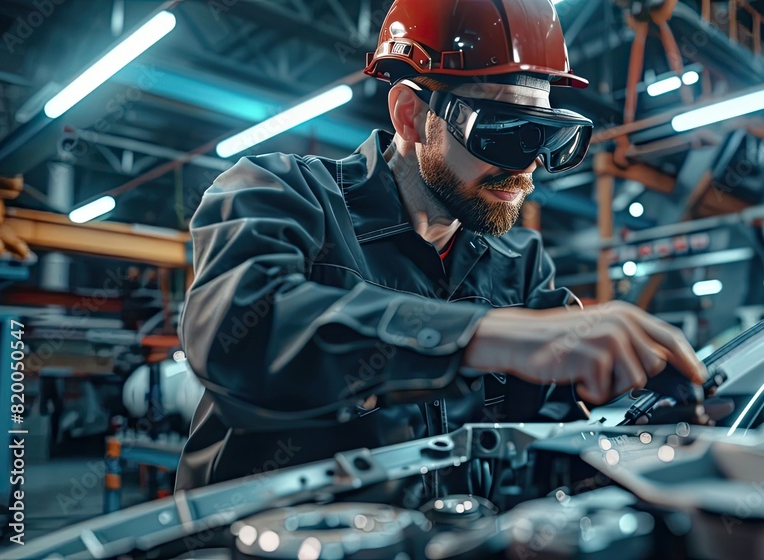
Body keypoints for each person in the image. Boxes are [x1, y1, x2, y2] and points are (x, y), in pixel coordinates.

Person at [175, 0, 707, 497]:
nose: (526, 169)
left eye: (545, 138)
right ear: (410, 114)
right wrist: (481, 334)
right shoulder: (282, 194)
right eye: (502, 132)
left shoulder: (518, 269)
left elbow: (547, 445)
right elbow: (234, 331)